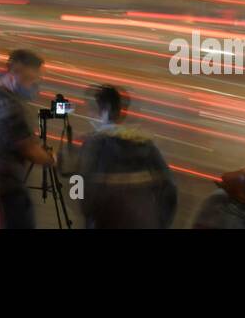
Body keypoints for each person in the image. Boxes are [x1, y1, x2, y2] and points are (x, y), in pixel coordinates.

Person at [0, 49, 55, 229]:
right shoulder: (12, 107)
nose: (34, 86)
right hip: (4, 188)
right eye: (31, 79)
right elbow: (30, 151)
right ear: (15, 70)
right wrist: (50, 158)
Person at [69, 85, 177, 229]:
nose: (89, 115)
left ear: (103, 111)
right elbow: (169, 187)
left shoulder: (93, 145)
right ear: (122, 112)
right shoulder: (146, 144)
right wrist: (161, 222)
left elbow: (79, 188)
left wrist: (90, 215)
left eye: (90, 109)